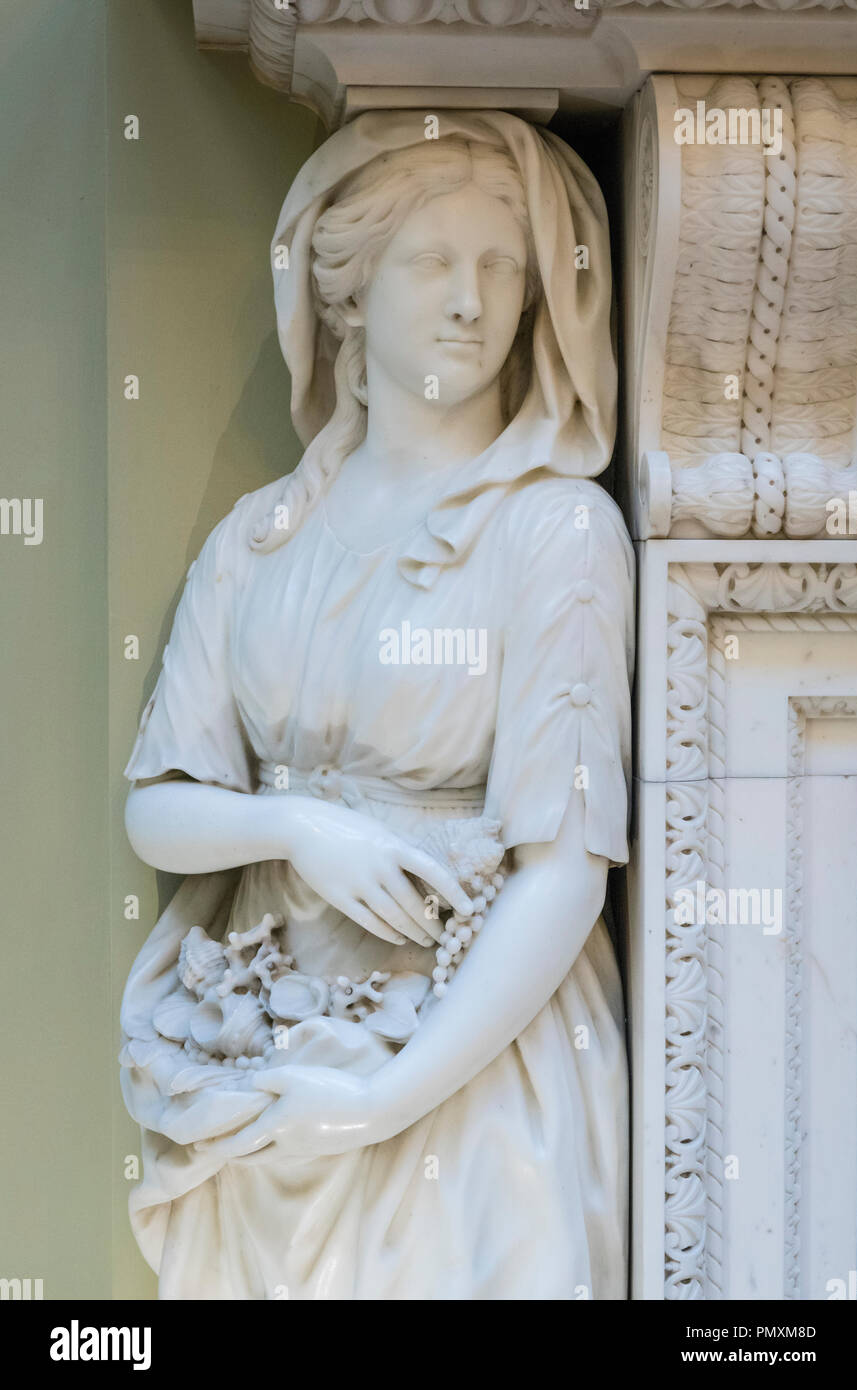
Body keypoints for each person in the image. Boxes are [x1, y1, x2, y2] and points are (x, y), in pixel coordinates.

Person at [120, 110, 634, 1300]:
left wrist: (374, 1101)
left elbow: (564, 869)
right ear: (350, 292)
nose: (472, 299)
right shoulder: (260, 540)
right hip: (261, 1057)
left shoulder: (553, 529)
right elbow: (161, 805)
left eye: (501, 267)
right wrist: (296, 827)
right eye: (433, 261)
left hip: (476, 1080)